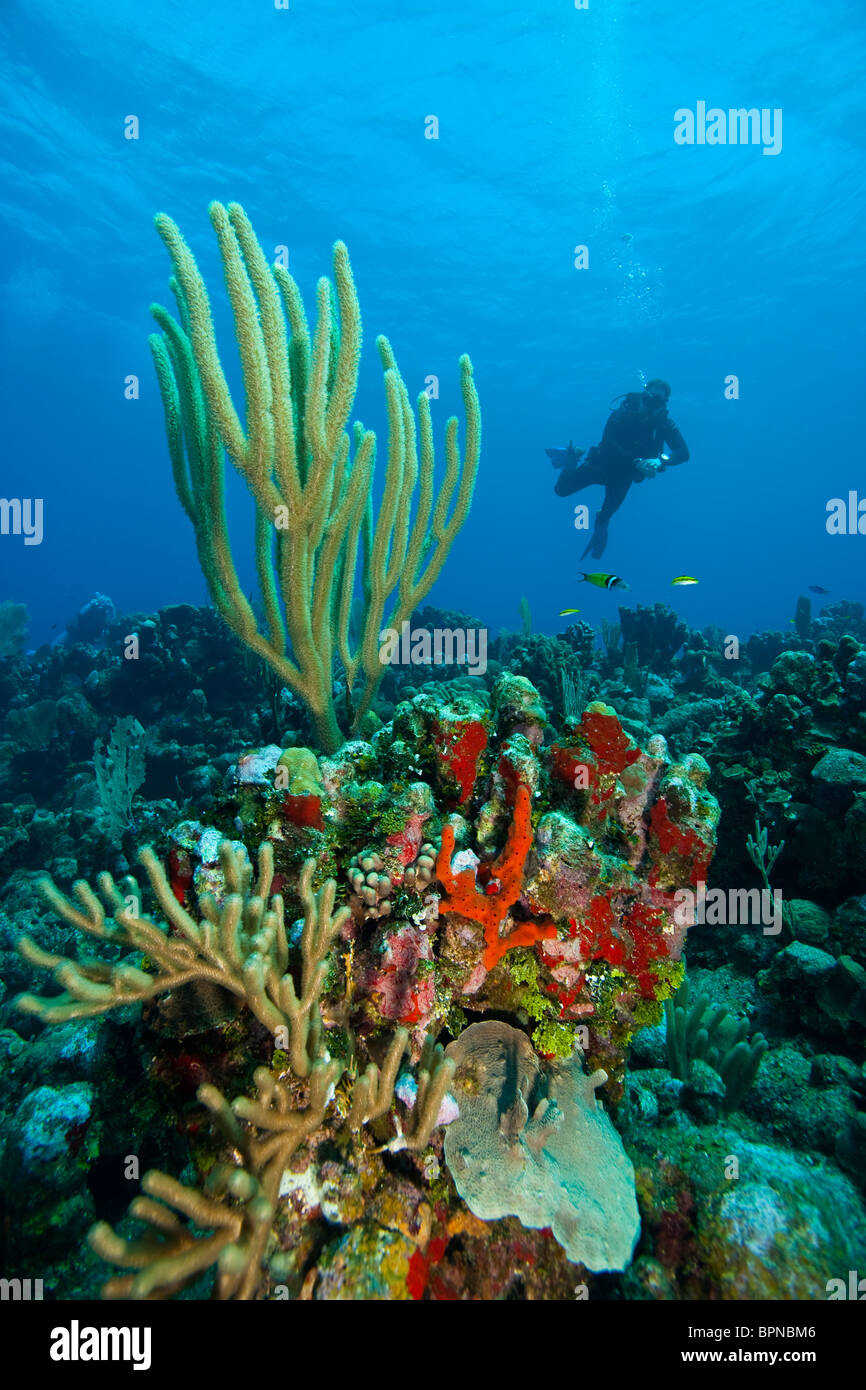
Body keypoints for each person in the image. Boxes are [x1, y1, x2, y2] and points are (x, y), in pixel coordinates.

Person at [548, 379, 689, 559]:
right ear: (643, 396)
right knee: (561, 490)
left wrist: (660, 461)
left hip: (624, 476)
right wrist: (637, 461)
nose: (651, 406)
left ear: (665, 403)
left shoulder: (665, 424)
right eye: (649, 399)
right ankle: (573, 455)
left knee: (605, 517)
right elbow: (608, 440)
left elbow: (683, 452)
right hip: (601, 464)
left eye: (657, 402)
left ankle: (601, 524)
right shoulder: (623, 412)